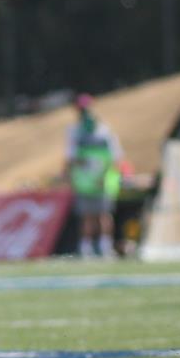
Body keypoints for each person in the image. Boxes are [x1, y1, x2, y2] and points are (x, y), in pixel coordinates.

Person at [65, 93, 125, 258]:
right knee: (87, 216)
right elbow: (71, 159)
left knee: (103, 215)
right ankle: (87, 247)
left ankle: (104, 246)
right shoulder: (74, 131)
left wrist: (103, 176)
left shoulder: (105, 131)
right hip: (85, 182)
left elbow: (115, 158)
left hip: (103, 181)